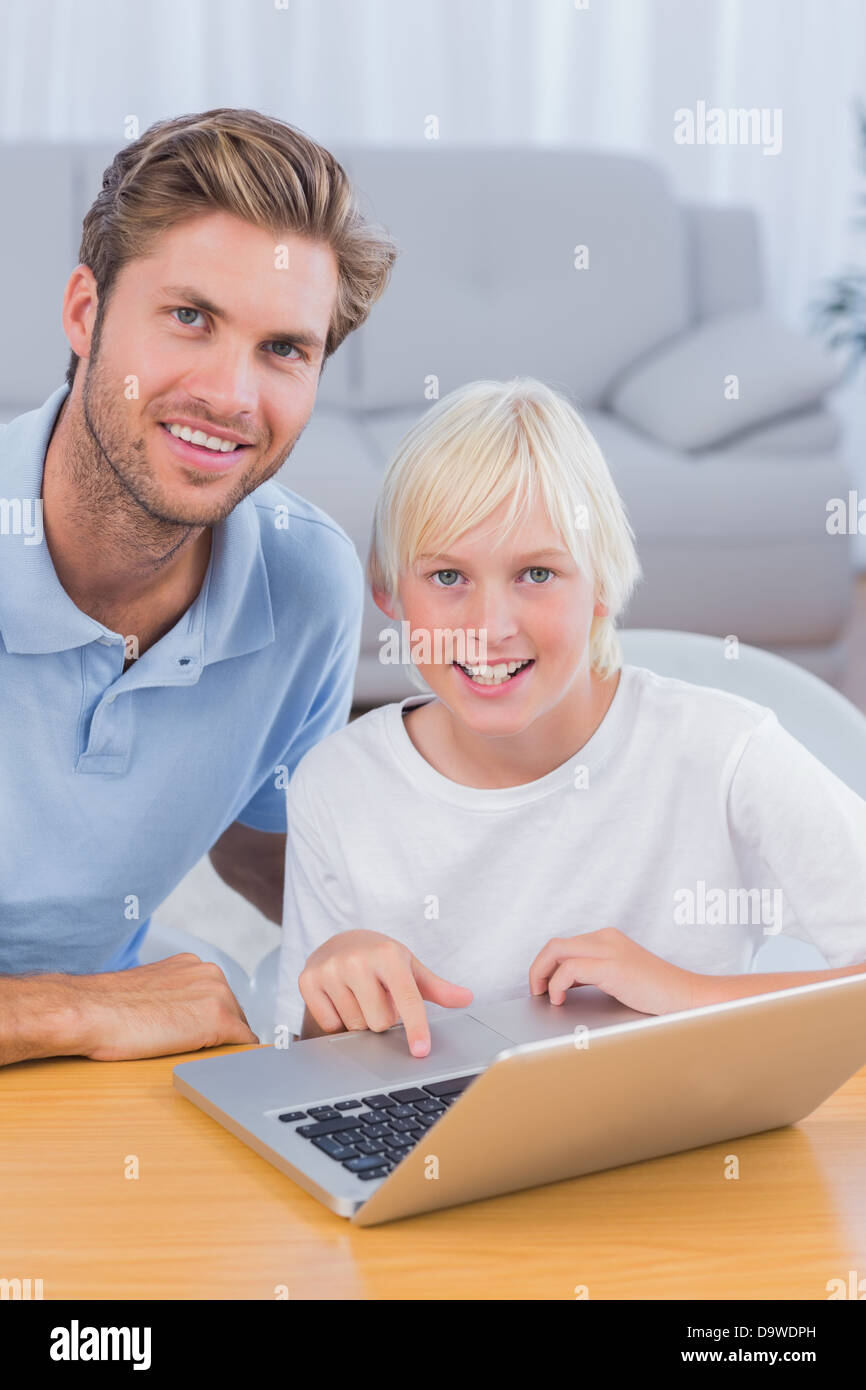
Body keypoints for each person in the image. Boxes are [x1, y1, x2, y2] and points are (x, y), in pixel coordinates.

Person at [275, 376, 866, 1057]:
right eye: (447, 578)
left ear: (604, 586)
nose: (490, 628)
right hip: (451, 1158)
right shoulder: (338, 786)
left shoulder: (725, 754)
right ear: (388, 593)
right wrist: (333, 997)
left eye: (536, 574)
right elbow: (305, 1064)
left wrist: (681, 996)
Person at [0, 107, 398, 1067]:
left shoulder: (306, 582)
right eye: (191, 318)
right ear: (85, 313)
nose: (231, 396)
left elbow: (267, 848)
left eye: (284, 350)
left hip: (105, 1088)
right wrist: (69, 1009)